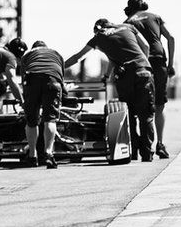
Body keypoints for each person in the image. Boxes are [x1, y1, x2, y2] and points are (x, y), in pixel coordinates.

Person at [65, 19, 156, 161]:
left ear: (97, 29)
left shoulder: (99, 36)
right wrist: (142, 63)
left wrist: (59, 68)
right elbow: (144, 46)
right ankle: (147, 153)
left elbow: (78, 57)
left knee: (128, 115)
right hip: (143, 72)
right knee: (146, 115)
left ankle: (132, 152)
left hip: (126, 77)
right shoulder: (128, 27)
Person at [123, 0, 175, 159]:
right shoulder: (155, 17)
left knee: (140, 106)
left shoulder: (128, 22)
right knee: (159, 105)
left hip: (141, 64)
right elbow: (171, 38)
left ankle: (141, 144)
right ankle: (160, 143)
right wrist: (170, 64)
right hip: (159, 61)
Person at [17, 40, 64, 169]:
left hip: (32, 80)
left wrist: (25, 99)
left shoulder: (27, 54)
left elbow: (23, 80)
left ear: (34, 48)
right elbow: (60, 77)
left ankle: (32, 156)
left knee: (31, 121)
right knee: (50, 119)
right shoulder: (56, 53)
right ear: (45, 48)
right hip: (53, 80)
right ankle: (49, 154)